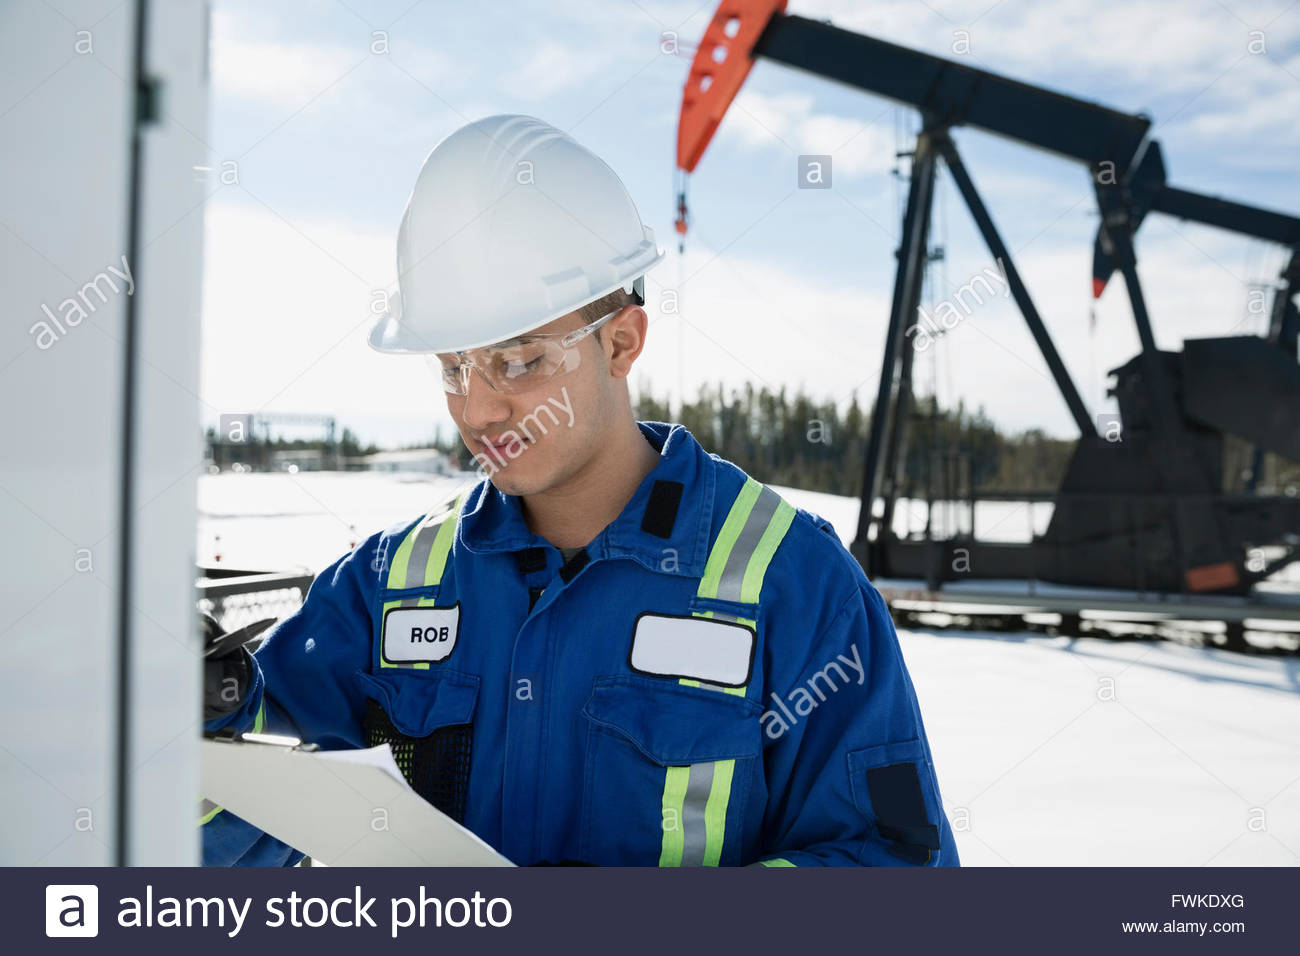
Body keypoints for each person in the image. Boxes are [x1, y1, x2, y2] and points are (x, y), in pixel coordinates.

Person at [201, 115, 960, 867]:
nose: (477, 409)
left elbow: (900, 863)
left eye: (520, 360)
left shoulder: (794, 585)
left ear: (622, 341)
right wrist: (187, 709)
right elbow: (229, 815)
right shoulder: (387, 586)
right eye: (452, 367)